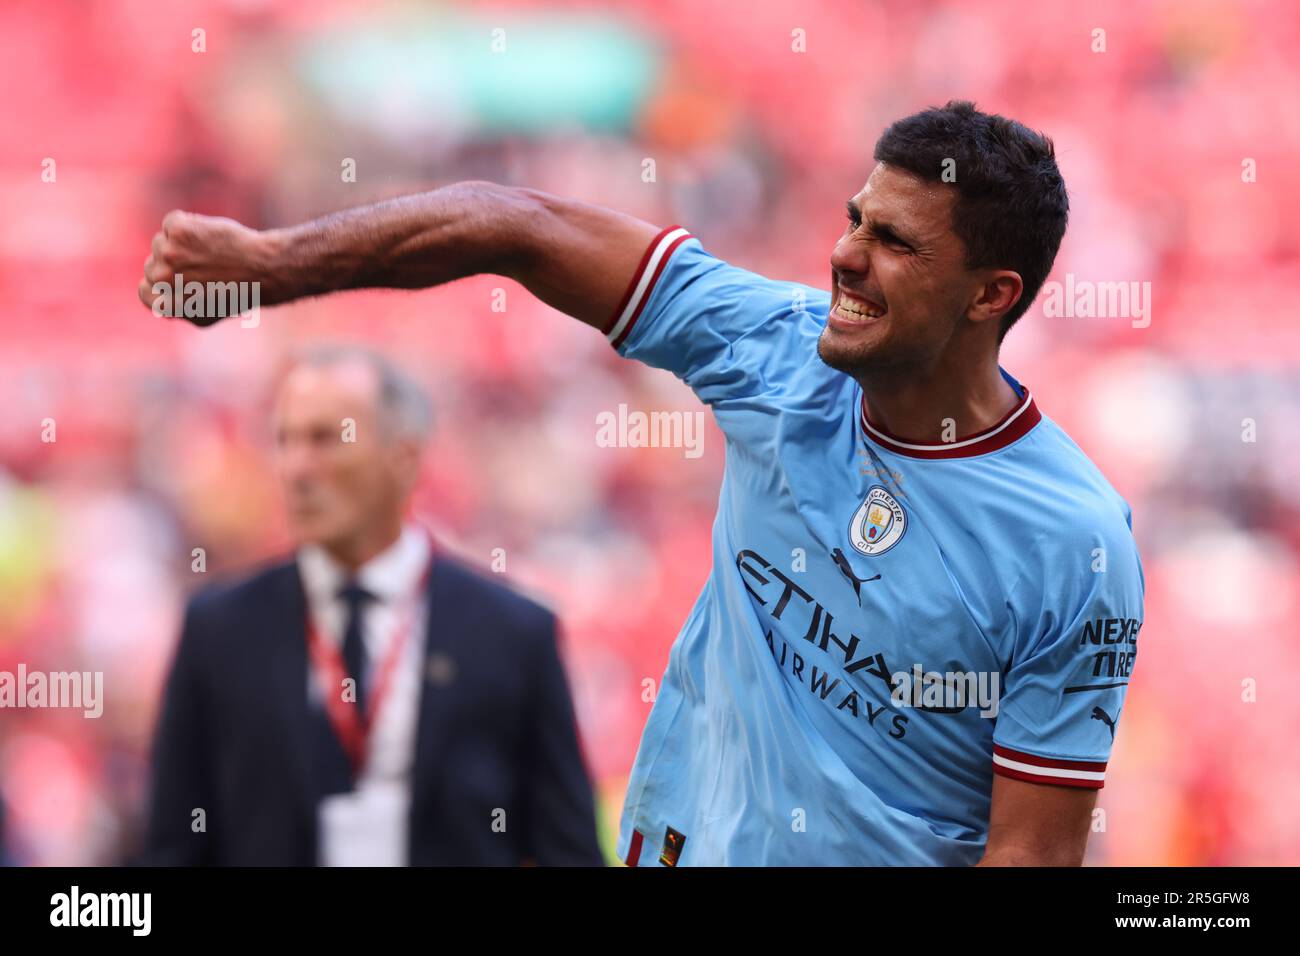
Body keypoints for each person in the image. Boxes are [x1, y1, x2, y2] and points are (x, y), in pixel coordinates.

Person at [138, 100, 1144, 866]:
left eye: (895, 243)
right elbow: (511, 223)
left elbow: (1031, 853)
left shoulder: (1073, 542)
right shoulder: (775, 348)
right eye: (854, 220)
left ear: (991, 294)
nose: (844, 256)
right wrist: (272, 267)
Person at [143, 345, 603, 866]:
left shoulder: (512, 635)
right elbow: (174, 847)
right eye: (285, 441)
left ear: (403, 457)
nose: (296, 467)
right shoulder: (220, 632)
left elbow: (568, 850)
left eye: (324, 440)